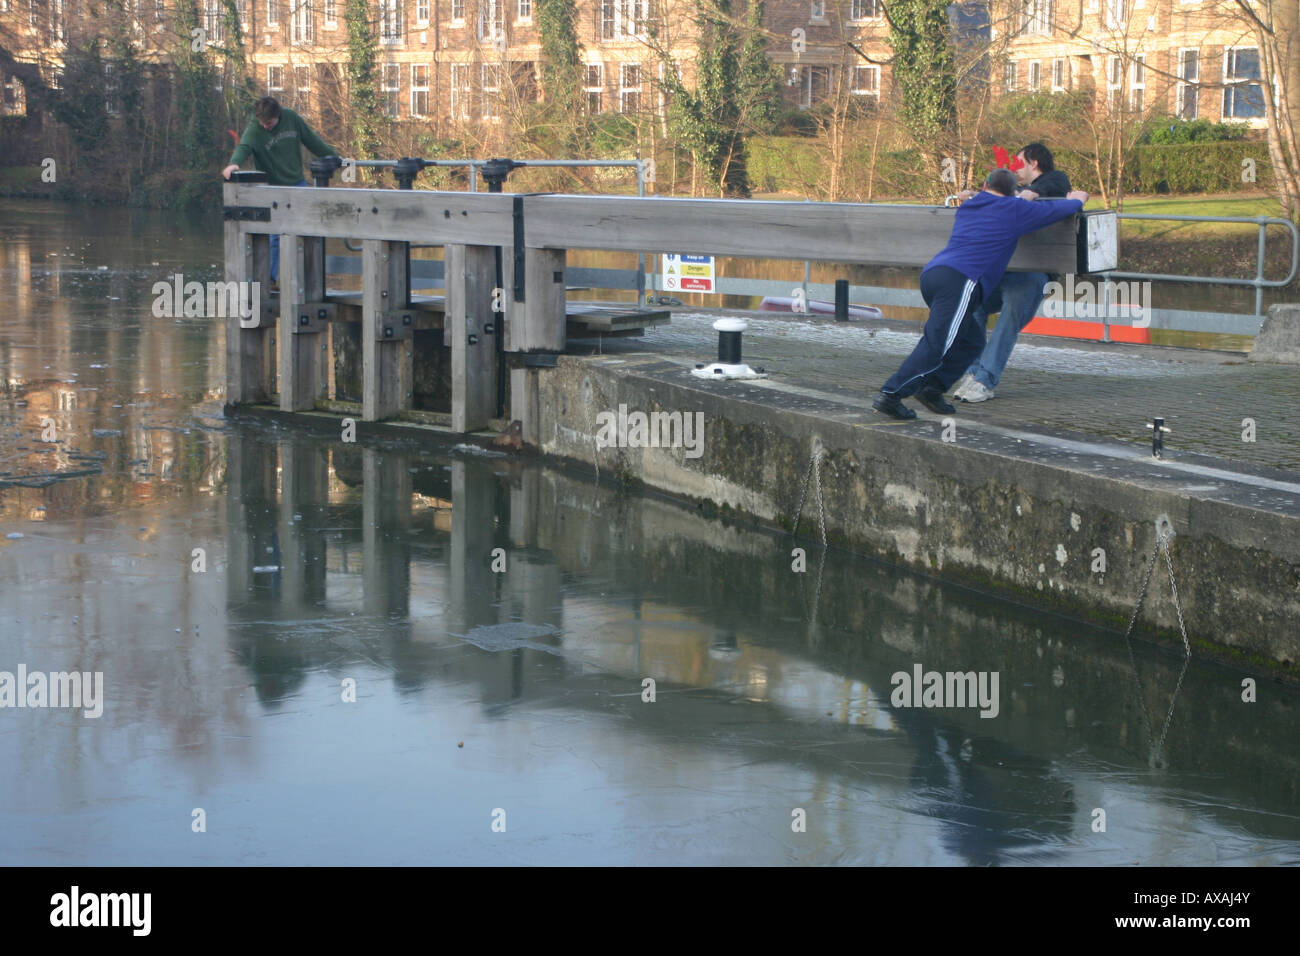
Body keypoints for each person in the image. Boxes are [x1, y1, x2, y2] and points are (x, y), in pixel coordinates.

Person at [872, 168, 1088, 420]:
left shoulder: (970, 205)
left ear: (985, 186)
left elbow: (997, 201)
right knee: (937, 343)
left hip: (935, 275)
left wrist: (1012, 197)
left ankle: (932, 389)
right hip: (961, 281)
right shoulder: (1014, 210)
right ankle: (891, 394)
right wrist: (1078, 198)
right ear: (1012, 191)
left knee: (972, 341)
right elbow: (1060, 210)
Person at [950, 143, 1072, 403]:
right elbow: (1006, 197)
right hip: (1005, 269)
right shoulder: (1017, 192)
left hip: (1033, 273)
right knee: (974, 308)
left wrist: (1029, 193)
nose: (1015, 168)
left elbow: (1050, 189)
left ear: (1034, 163)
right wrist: (975, 195)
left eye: (1019, 163)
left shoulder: (1054, 180)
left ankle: (985, 379)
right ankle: (972, 372)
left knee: (1008, 322)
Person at [221, 96, 338, 286]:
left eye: (269, 122)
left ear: (278, 116)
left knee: (307, 231)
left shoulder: (291, 119)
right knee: (275, 235)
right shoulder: (255, 129)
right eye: (262, 122)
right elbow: (244, 147)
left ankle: (307, 280)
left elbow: (312, 141)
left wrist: (334, 158)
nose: (265, 126)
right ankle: (271, 279)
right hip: (272, 188)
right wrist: (233, 164)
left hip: (296, 183)